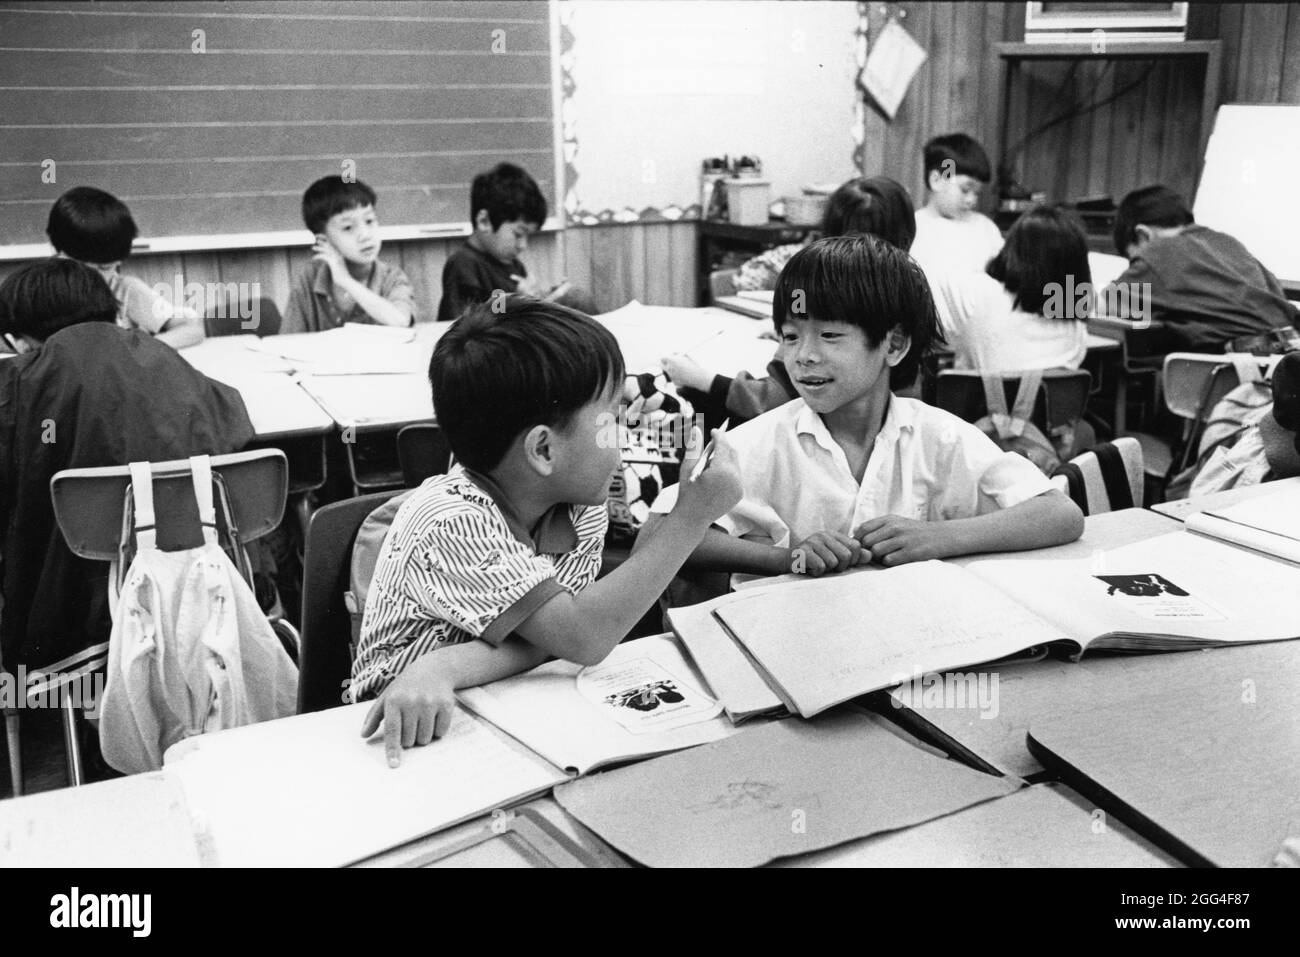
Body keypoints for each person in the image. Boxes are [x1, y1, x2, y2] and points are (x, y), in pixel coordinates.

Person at [351, 296, 740, 764]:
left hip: (504, 707)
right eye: (612, 420)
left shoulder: (578, 505)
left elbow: (552, 641)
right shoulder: (451, 523)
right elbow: (584, 637)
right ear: (543, 450)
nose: (625, 434)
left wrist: (448, 664)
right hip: (395, 736)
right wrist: (692, 517)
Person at [643, 235, 1084, 580]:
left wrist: (938, 537)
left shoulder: (938, 435)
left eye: (829, 336)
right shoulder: (761, 440)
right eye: (791, 336)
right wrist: (786, 558)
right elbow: (654, 535)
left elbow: (1060, 514)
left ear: (893, 344)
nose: (802, 356)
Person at [0, 259, 253, 672]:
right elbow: (232, 422)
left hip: (73, 602)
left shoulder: (21, 383)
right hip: (199, 586)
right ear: (114, 311)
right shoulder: (160, 354)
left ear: (20, 342)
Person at [665, 176, 919, 429]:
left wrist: (704, 380)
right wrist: (788, 327)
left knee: (685, 418)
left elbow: (773, 400)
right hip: (886, 428)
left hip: (817, 431)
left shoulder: (823, 292)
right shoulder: (911, 289)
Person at [1106, 185, 1298, 353]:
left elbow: (1102, 303)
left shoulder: (1159, 251)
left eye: (1134, 260)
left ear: (1143, 235)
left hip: (1241, 366)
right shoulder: (1227, 242)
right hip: (1287, 355)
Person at [930, 205, 1089, 372]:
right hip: (1050, 398)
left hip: (981, 397)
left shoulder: (977, 296)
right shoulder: (1077, 330)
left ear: (1013, 250)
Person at [45, 186, 204, 348]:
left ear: (118, 261)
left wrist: (134, 351)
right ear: (57, 251)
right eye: (77, 266)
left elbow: (192, 329)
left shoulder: (125, 290)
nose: (91, 277)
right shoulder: (37, 294)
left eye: (104, 267)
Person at [436, 162, 597, 322]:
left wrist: (542, 296)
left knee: (576, 298)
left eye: (528, 237)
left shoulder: (513, 265)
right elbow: (465, 326)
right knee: (578, 299)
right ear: (484, 221)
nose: (523, 245)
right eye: (518, 234)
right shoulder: (463, 265)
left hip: (516, 337)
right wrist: (517, 302)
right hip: (493, 345)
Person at [283, 175, 418, 333]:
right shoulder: (309, 278)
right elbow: (287, 339)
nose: (365, 235)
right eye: (348, 228)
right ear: (323, 241)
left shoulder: (392, 277)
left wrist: (345, 280)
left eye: (369, 221)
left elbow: (401, 321)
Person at [909, 133, 1004, 278]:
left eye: (977, 193)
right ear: (937, 180)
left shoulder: (986, 229)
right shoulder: (911, 228)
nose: (972, 200)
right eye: (965, 190)